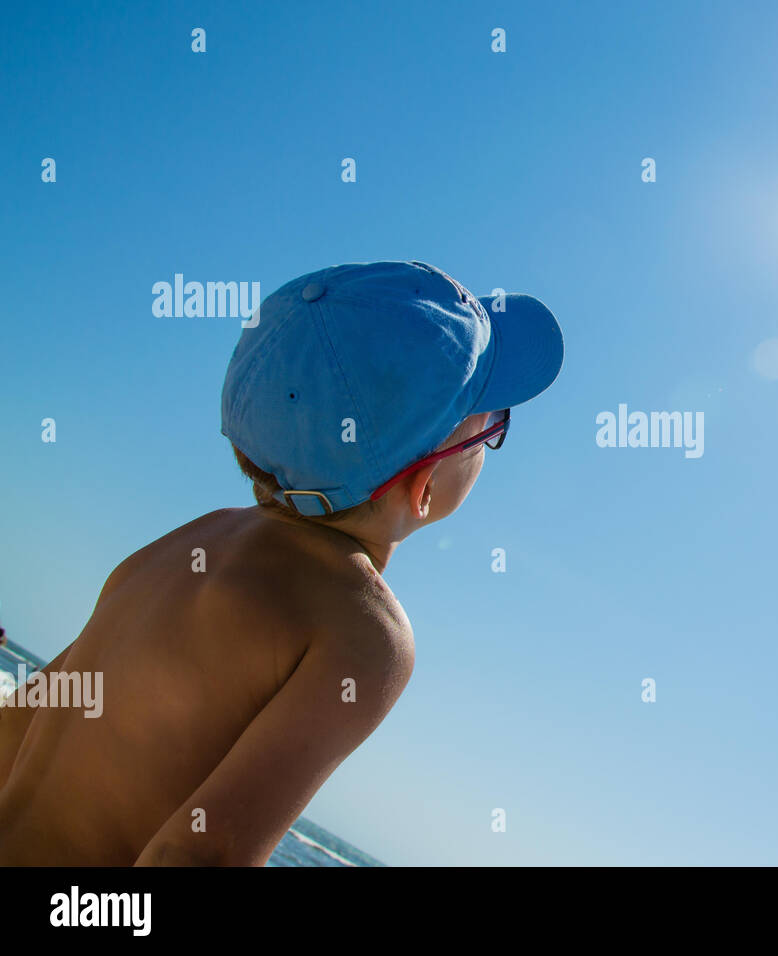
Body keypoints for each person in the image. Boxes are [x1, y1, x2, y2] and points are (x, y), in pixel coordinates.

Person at [0, 261, 563, 865]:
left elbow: (14, 728)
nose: (495, 437)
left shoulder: (189, 542)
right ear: (423, 484)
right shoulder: (366, 633)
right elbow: (197, 856)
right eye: (493, 427)